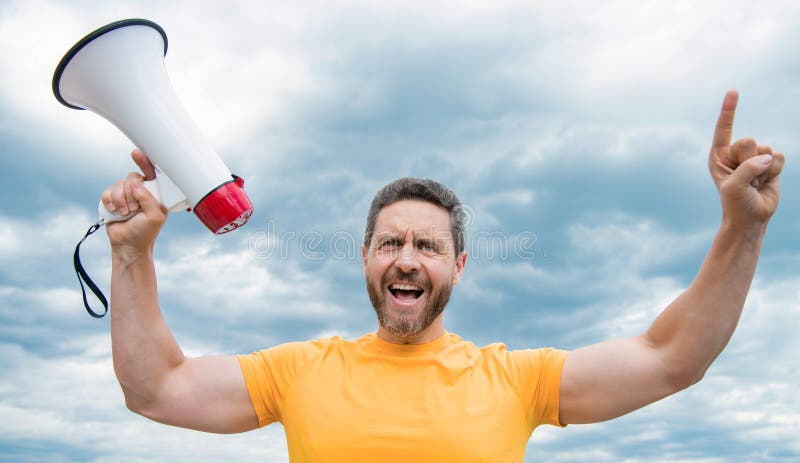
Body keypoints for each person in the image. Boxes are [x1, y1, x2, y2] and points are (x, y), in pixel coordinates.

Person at [101, 90, 784, 462]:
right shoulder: (298, 370)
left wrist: (742, 227)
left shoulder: (516, 379)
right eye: (390, 242)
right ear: (365, 255)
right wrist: (132, 252)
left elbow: (673, 358)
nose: (406, 258)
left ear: (458, 265)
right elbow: (156, 388)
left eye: (427, 246)